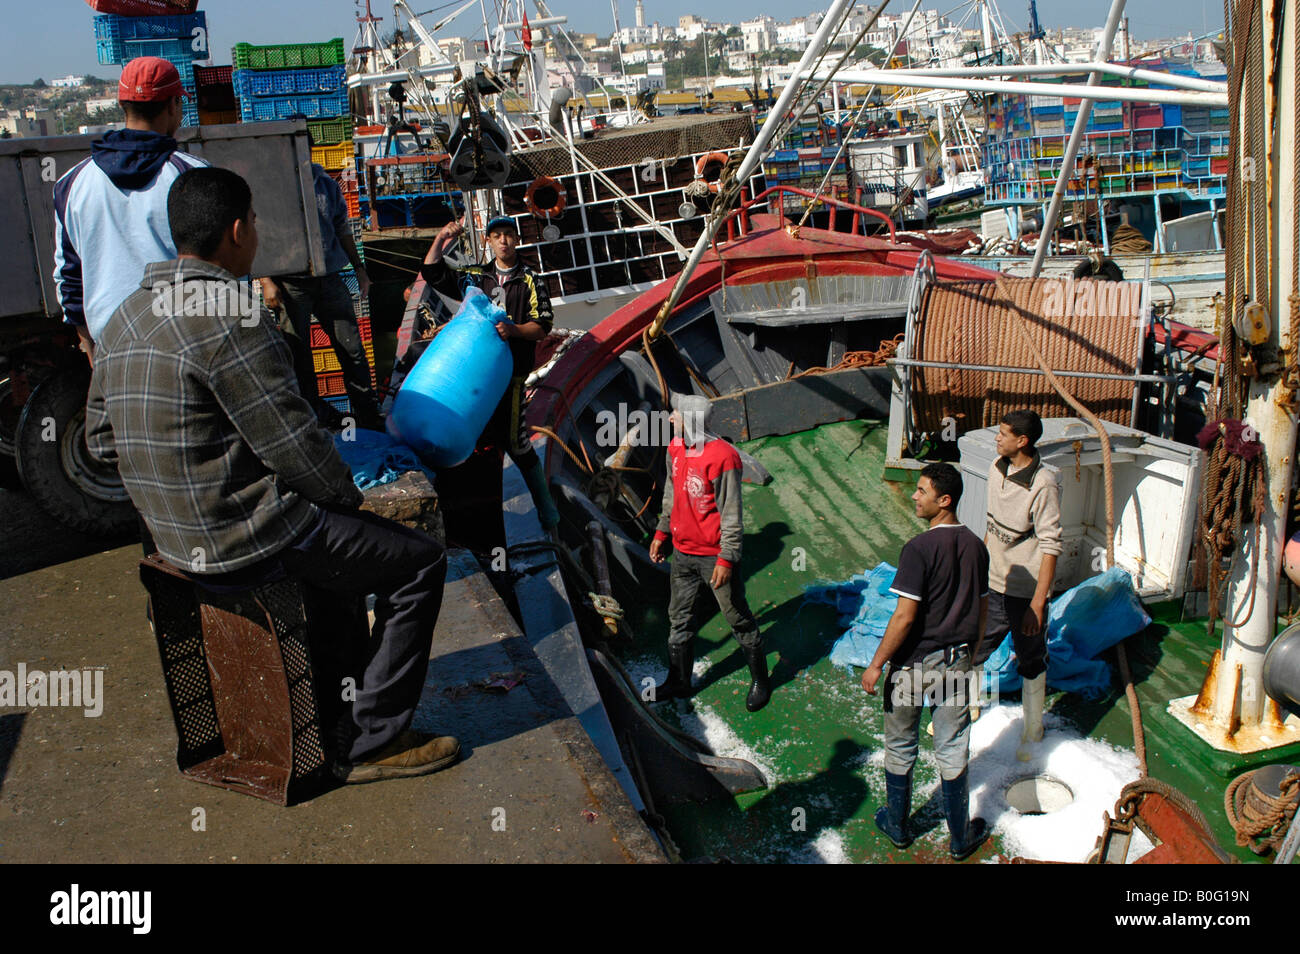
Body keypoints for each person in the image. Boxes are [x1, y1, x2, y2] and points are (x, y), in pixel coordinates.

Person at [85, 167, 458, 784]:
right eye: (254, 221)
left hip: (171, 540)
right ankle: (374, 741)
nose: (256, 232)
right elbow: (297, 449)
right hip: (245, 538)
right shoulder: (231, 314)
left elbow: (102, 442)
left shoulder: (126, 315)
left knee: (339, 559)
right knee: (418, 561)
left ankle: (342, 704)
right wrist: (347, 499)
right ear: (236, 231)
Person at [861, 463, 989, 860]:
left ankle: (898, 827)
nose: (915, 496)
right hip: (958, 663)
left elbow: (904, 616)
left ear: (944, 500)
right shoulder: (976, 546)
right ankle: (959, 838)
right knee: (953, 747)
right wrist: (973, 658)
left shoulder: (918, 549)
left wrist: (877, 663)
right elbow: (983, 610)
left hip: (914, 667)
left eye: (921, 491)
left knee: (901, 745)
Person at [53, 56, 208, 364]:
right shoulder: (192, 175)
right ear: (173, 105)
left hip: (112, 345)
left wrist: (91, 349)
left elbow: (69, 276)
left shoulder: (72, 183)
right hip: (183, 345)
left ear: (123, 105)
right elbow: (217, 269)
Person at [419, 215, 559, 529]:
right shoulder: (475, 276)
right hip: (474, 375)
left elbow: (543, 325)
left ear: (516, 240)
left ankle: (547, 510)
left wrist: (514, 330)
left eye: (509, 235)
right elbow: (432, 271)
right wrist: (441, 238)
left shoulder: (530, 280)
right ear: (489, 241)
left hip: (510, 376)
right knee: (467, 436)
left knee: (516, 441)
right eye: (497, 236)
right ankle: (465, 513)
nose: (504, 241)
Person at [649, 393, 771, 712]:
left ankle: (761, 680)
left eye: (676, 414)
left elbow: (731, 513)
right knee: (679, 618)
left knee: (737, 619)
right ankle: (678, 680)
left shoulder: (723, 457)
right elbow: (671, 494)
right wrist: (662, 532)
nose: (671, 418)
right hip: (682, 554)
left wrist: (727, 558)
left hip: (713, 556)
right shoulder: (675, 447)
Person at [259, 121, 382, 431]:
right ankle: (313, 421)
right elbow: (261, 236)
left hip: (329, 277)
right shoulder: (272, 189)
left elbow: (342, 229)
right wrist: (267, 281)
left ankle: (368, 417)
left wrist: (360, 271)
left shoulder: (325, 183)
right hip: (291, 282)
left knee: (352, 349)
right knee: (300, 355)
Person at [982, 409, 1063, 762]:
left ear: (1022, 441)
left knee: (1030, 658)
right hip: (991, 582)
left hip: (1024, 591)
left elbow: (1051, 545)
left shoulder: (1043, 484)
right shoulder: (994, 468)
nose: (996, 439)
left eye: (1002, 434)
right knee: (972, 646)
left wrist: (1038, 604)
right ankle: (963, 711)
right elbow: (991, 525)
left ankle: (1033, 729)